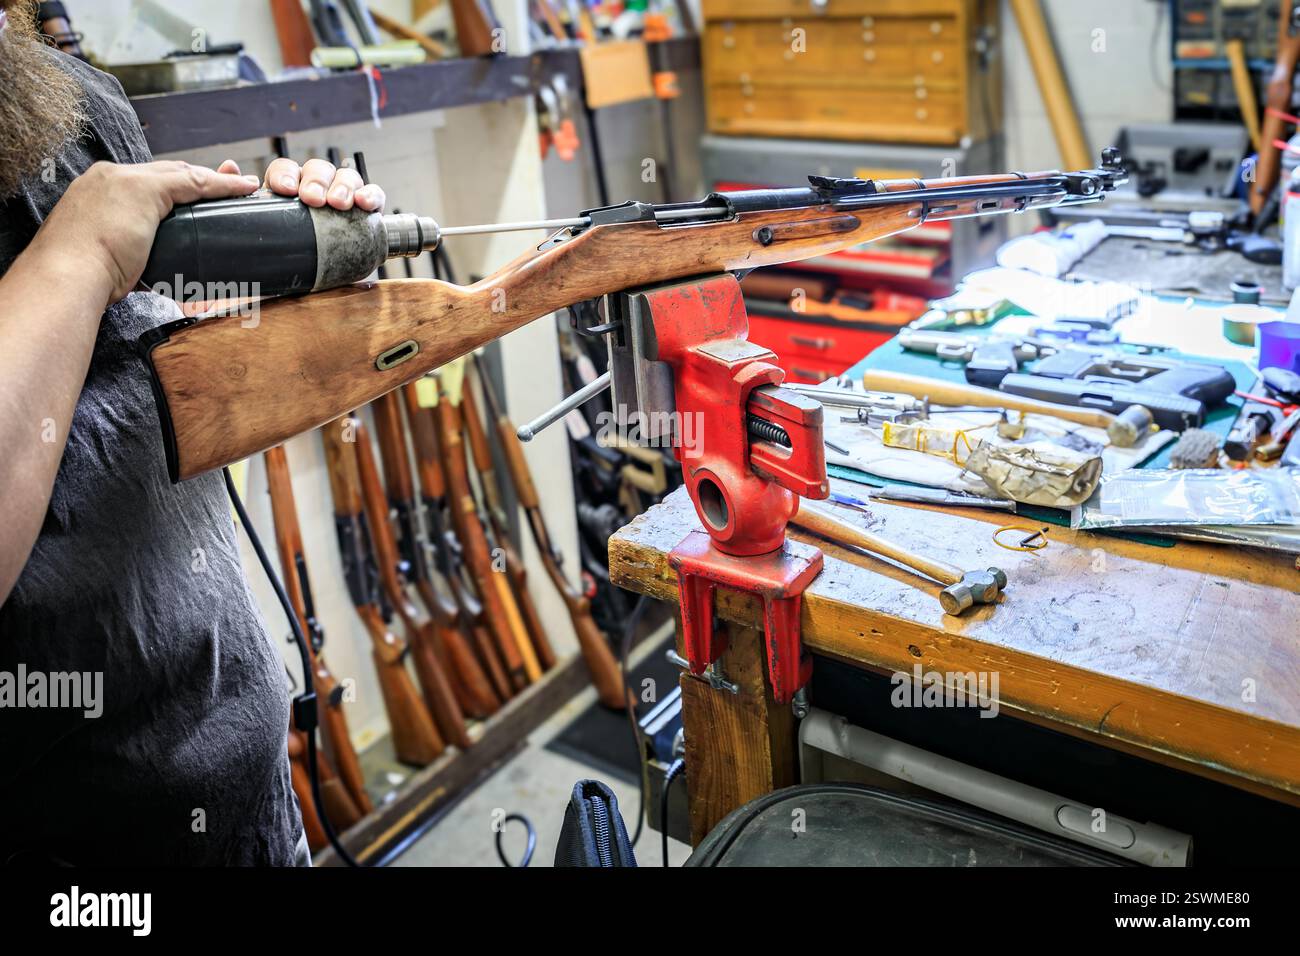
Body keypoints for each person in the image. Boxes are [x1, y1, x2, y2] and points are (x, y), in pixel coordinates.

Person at [0, 0, 386, 865]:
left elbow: (127, 396)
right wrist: (81, 253)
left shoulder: (62, 91)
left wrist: (289, 314)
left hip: (242, 796)